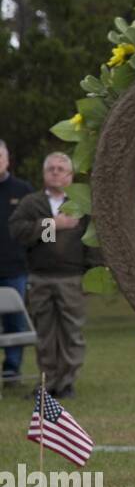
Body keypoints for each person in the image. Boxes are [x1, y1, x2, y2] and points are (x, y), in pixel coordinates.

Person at [8, 152, 99, 398]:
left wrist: (91, 276)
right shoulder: (32, 202)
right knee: (45, 334)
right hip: (40, 278)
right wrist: (51, 224)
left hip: (72, 278)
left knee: (71, 333)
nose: (56, 172)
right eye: (51, 168)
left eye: (62, 168)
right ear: (44, 174)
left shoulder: (82, 204)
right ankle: (48, 383)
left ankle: (67, 382)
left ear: (71, 175)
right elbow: (17, 230)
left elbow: (94, 242)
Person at [0, 140, 35, 382]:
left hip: (15, 269)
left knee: (15, 321)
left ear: (7, 160)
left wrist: (46, 251)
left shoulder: (23, 190)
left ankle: (12, 368)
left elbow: (42, 226)